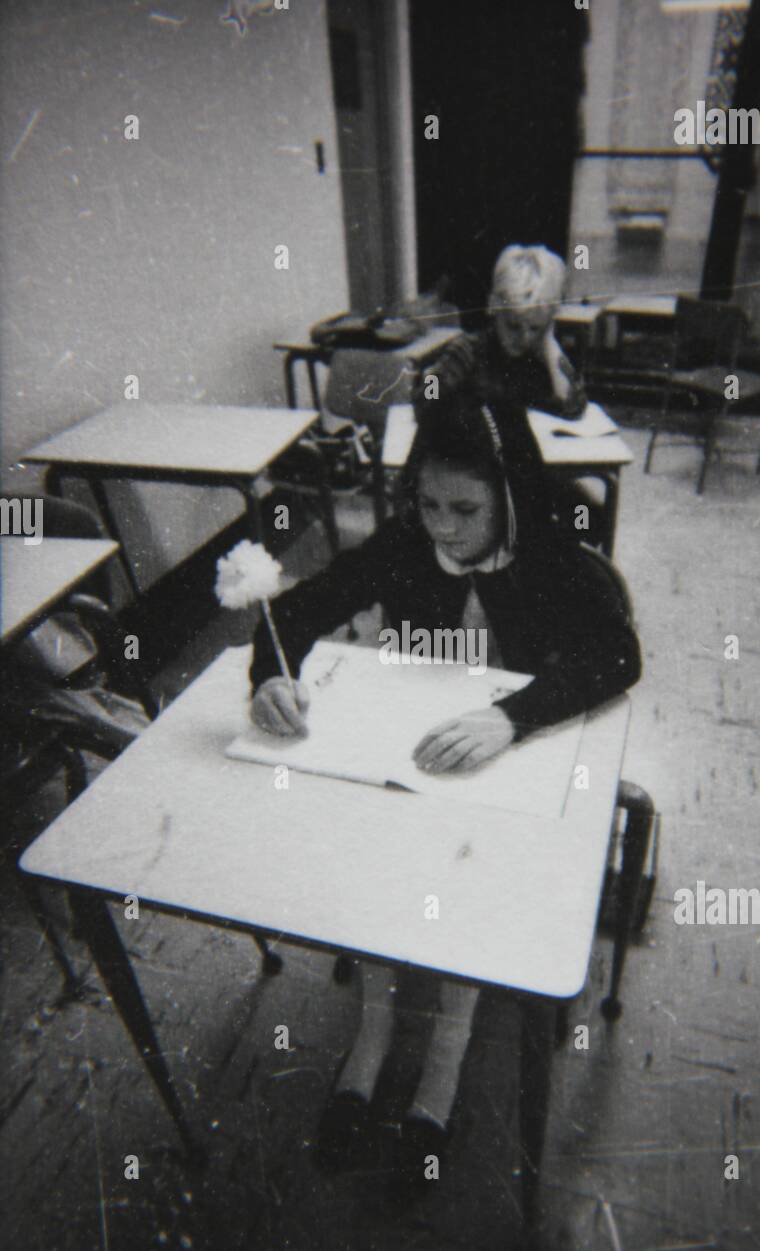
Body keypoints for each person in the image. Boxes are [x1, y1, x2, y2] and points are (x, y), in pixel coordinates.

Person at [249, 399, 640, 1194]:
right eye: (427, 505)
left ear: (509, 495)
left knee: (465, 870)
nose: (442, 529)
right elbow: (289, 612)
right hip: (421, 750)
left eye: (465, 509)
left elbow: (618, 656)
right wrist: (267, 677)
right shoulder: (405, 543)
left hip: (513, 761)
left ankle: (443, 1068)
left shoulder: (553, 552)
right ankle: (374, 1041)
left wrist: (511, 716)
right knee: (394, 853)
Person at [413, 244, 588, 423]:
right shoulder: (467, 349)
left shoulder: (540, 357)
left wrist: (549, 343)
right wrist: (431, 380)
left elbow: (575, 407)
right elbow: (424, 402)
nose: (524, 338)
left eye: (535, 328)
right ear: (493, 306)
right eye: (513, 326)